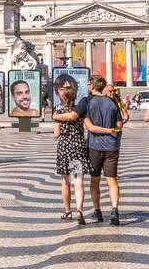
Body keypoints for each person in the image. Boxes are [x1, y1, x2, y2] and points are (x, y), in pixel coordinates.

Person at [83, 75, 124, 225]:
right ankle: (114, 210)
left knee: (95, 180)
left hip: (94, 146)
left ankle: (98, 211)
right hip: (112, 146)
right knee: (111, 179)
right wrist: (111, 129)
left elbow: (89, 127)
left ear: (93, 86)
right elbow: (119, 124)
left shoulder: (89, 102)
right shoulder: (112, 102)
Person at [51, 78, 89, 223]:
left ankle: (68, 211)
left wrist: (57, 120)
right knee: (78, 182)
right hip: (78, 146)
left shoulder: (57, 111)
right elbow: (85, 127)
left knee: (65, 182)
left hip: (64, 148)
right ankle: (80, 210)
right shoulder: (79, 109)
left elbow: (56, 134)